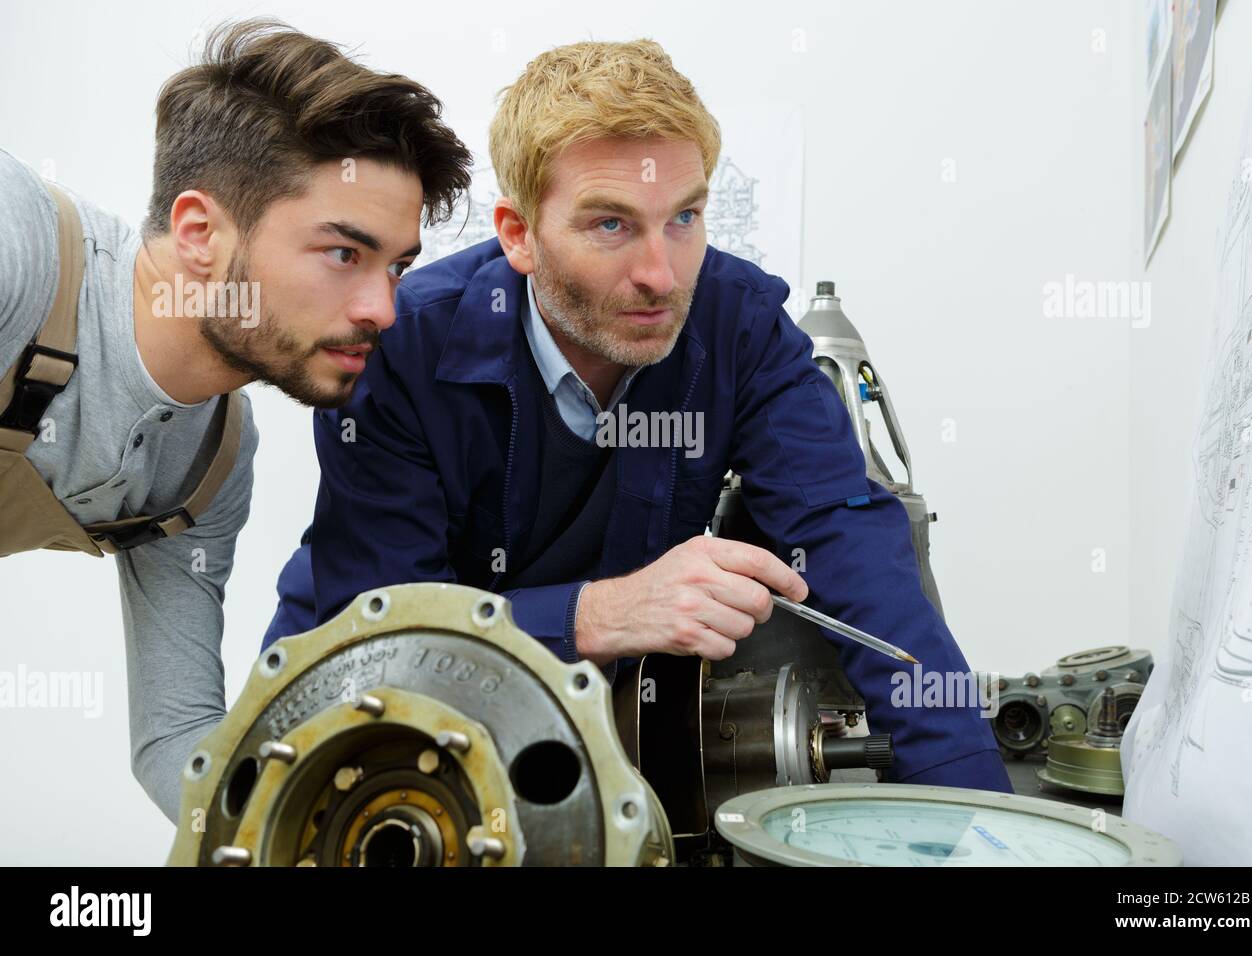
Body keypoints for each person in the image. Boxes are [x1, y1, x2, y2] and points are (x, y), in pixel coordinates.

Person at [264, 38, 1010, 792]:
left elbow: (853, 547)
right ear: (519, 234)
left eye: (683, 218)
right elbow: (393, 643)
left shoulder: (738, 325)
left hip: (583, 734)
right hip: (353, 731)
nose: (661, 275)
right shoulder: (402, 345)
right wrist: (597, 615)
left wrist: (978, 815)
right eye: (611, 226)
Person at [0, 18, 472, 822]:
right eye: (342, 254)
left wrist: (304, 830)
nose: (383, 308)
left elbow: (176, 735)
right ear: (198, 235)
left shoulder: (212, 461)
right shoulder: (18, 258)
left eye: (396, 267)